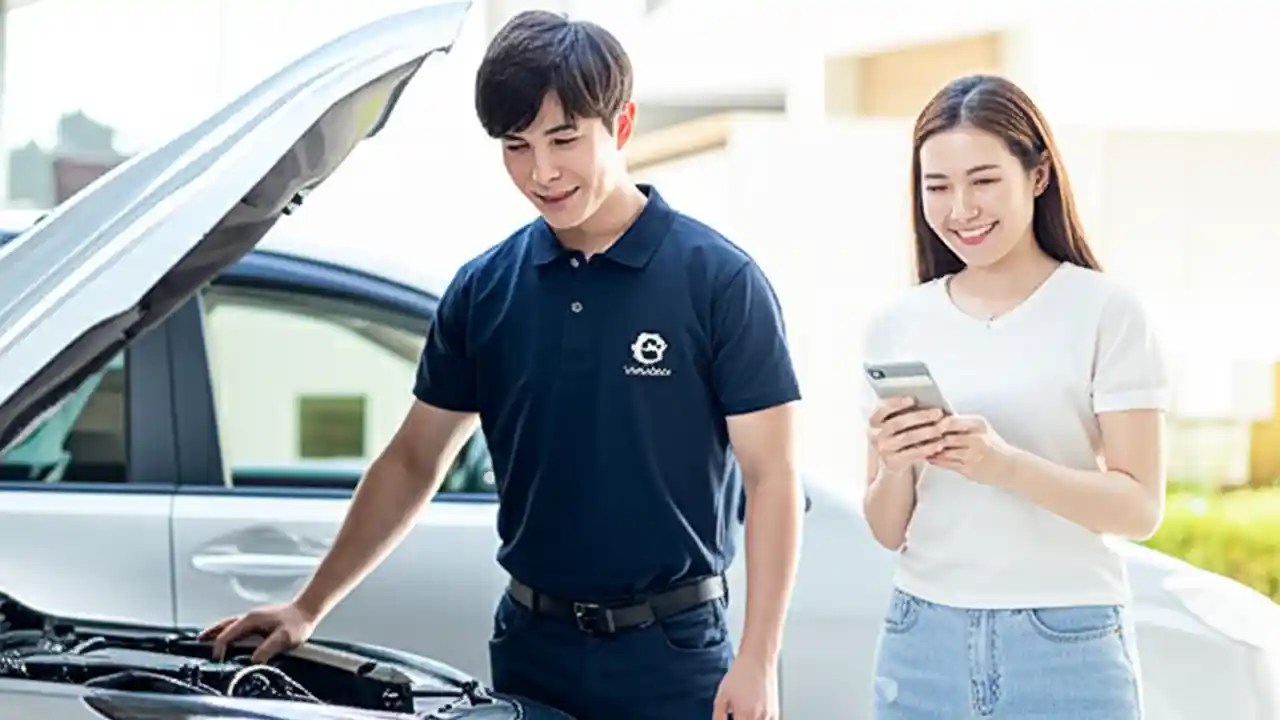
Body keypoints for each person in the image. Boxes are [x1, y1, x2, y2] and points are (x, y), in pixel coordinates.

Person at [200, 9, 805, 720]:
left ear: (623, 125)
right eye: (516, 145)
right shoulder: (486, 288)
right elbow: (411, 461)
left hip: (672, 655)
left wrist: (759, 660)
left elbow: (773, 478)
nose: (542, 172)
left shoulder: (719, 282)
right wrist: (309, 604)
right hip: (529, 648)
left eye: (564, 138)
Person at [859, 74, 1168, 719]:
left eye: (983, 180)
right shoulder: (898, 323)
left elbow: (1139, 508)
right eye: (937, 188)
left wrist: (1006, 467)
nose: (960, 209)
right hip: (923, 639)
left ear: (1037, 176)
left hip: (1067, 639)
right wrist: (894, 463)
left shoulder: (1105, 310)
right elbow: (888, 530)